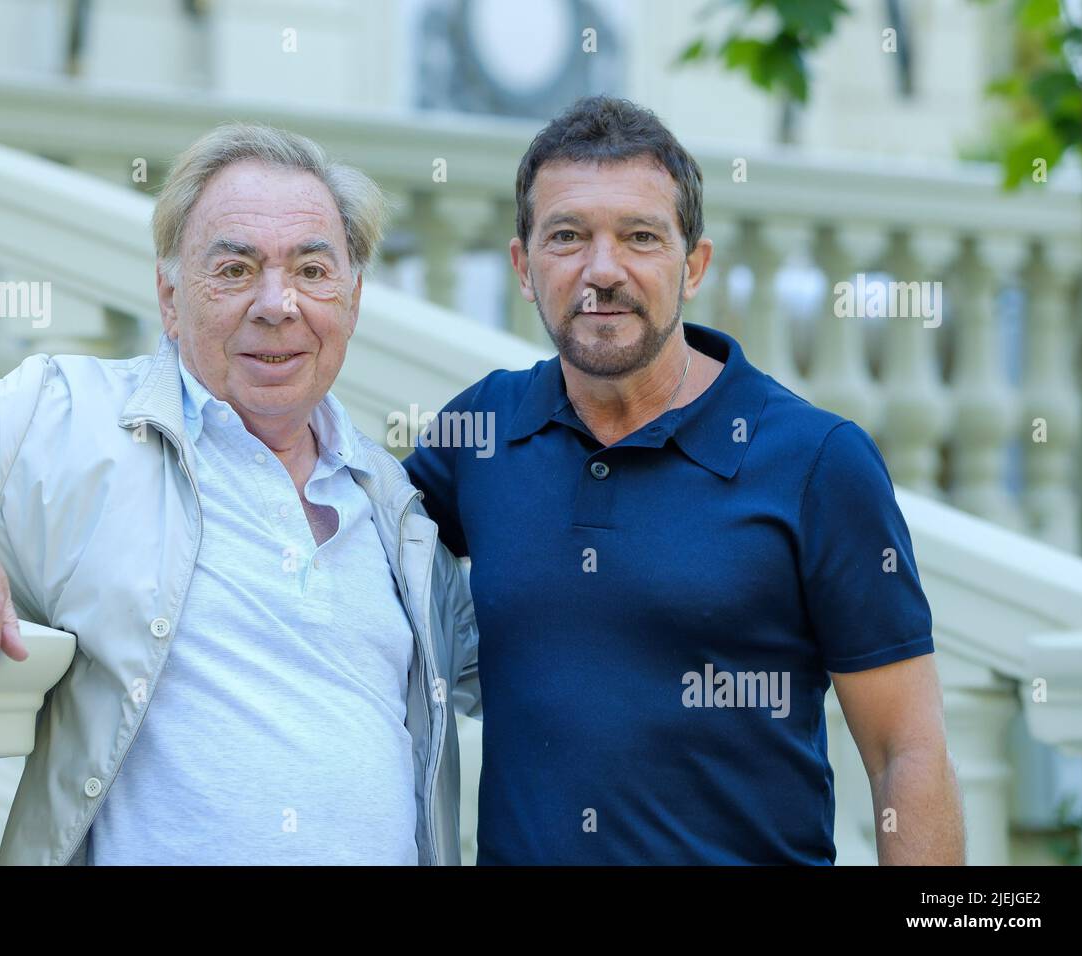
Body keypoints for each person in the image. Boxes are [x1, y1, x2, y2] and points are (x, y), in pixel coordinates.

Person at [0, 124, 478, 866]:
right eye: (236, 269)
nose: (277, 304)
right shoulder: (63, 421)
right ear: (170, 296)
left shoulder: (394, 505)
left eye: (311, 270)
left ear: (352, 299)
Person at [404, 95, 965, 865]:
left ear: (692, 265)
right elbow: (335, 541)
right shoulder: (483, 433)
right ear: (523, 266)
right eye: (567, 236)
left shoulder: (815, 460)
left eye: (640, 236)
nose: (602, 270)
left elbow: (908, 748)